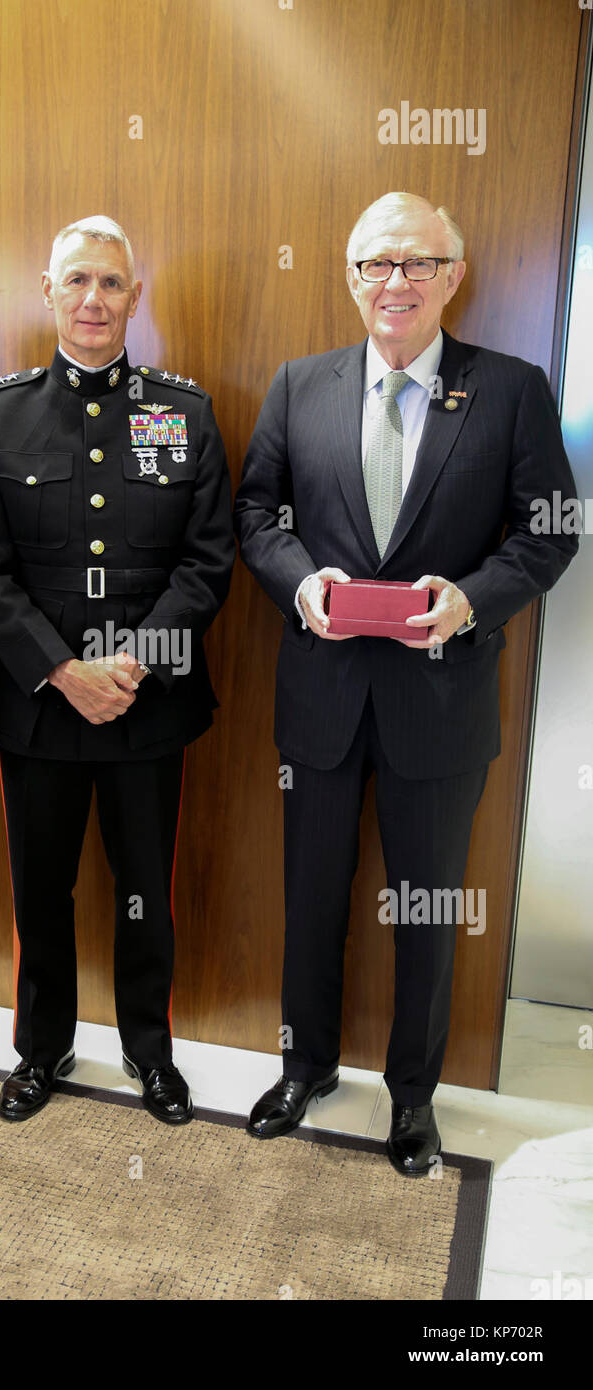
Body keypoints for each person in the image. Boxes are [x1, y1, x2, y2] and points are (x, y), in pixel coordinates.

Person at [234, 193, 578, 1174]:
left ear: (452, 276)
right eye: (375, 263)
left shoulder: (510, 389)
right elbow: (255, 513)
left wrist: (471, 600)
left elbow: (551, 527)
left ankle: (414, 1095)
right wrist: (301, 584)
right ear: (350, 277)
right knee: (312, 897)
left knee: (427, 908)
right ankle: (305, 1068)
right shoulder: (299, 385)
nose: (395, 281)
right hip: (323, 698)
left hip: (443, 701)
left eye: (417, 263)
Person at [0, 216, 233, 1125]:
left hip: (149, 709)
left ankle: (150, 1052)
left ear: (134, 298)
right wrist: (62, 670)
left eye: (111, 283)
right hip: (41, 709)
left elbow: (207, 561)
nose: (93, 299)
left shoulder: (183, 413)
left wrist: (133, 665)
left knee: (147, 889)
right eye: (76, 280)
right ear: (48, 291)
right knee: (41, 890)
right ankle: (41, 1051)